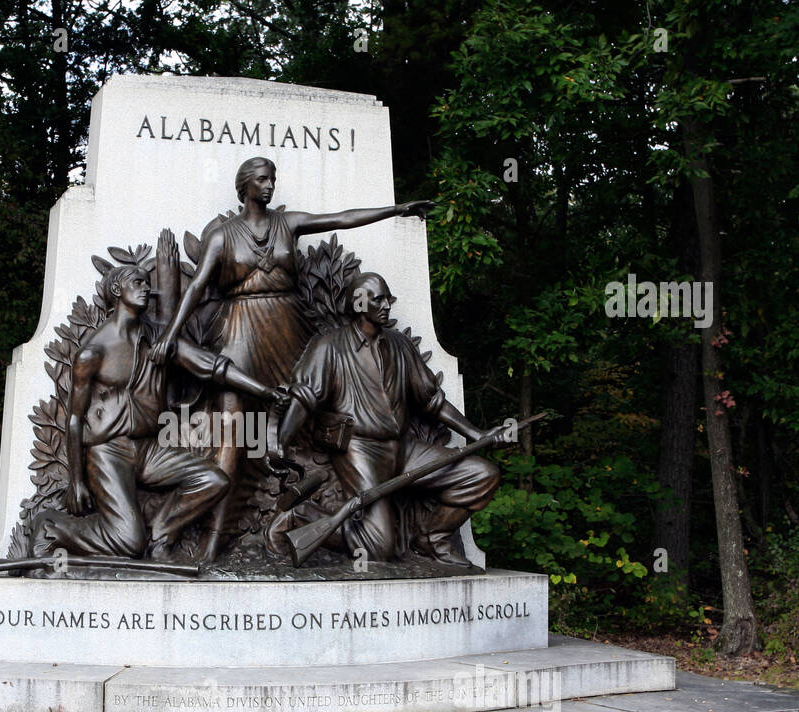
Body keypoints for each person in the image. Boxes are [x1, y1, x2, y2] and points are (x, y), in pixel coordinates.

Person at [150, 156, 433, 560]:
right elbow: (196, 288)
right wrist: (170, 336)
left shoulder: (289, 223)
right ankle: (213, 537)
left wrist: (396, 209)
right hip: (240, 334)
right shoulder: (223, 237)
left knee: (301, 414)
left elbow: (343, 218)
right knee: (233, 432)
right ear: (244, 185)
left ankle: (313, 517)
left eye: (273, 180)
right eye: (263, 180)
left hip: (288, 330)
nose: (270, 187)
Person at [35, 262, 288, 561]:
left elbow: (213, 367)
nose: (146, 288)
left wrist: (266, 392)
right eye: (137, 283)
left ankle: (160, 535)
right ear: (117, 290)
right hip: (109, 452)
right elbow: (75, 418)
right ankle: (51, 528)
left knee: (213, 480)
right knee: (128, 542)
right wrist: (76, 480)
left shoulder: (159, 338)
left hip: (149, 449)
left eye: (146, 282)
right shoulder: (94, 351)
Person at [270, 272, 502, 567]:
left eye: (387, 298)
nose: (386, 305)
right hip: (360, 450)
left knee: (482, 475)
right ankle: (301, 516)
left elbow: (432, 401)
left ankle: (433, 539)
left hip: (404, 449)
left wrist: (476, 433)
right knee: (378, 549)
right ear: (358, 304)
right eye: (377, 299)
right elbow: (305, 399)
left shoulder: (400, 345)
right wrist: (281, 443)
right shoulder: (328, 346)